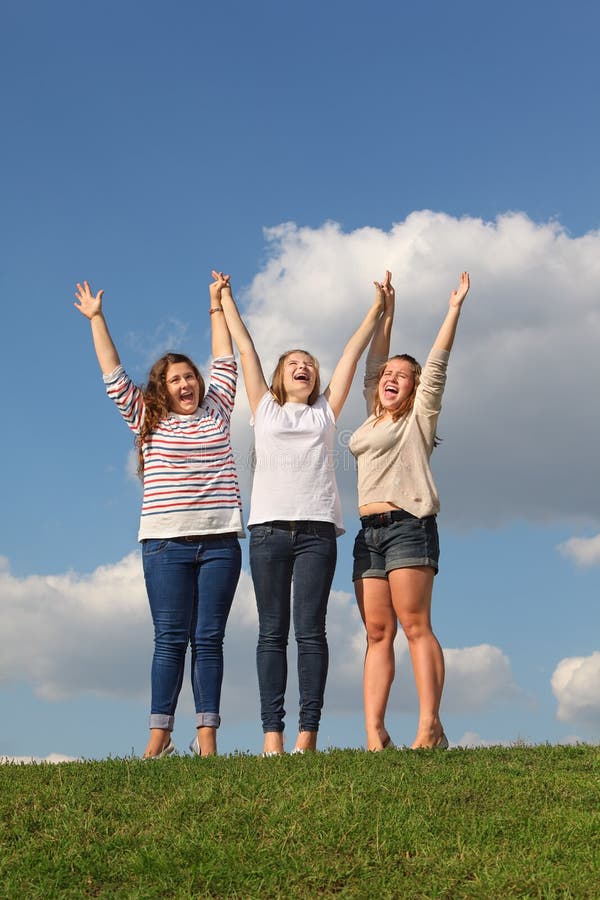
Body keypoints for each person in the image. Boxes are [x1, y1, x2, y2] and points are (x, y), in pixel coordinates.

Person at [213, 270, 385, 755]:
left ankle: (308, 733)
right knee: (271, 633)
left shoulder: (326, 412)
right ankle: (274, 736)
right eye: (294, 363)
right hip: (268, 532)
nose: (303, 367)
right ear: (279, 375)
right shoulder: (264, 408)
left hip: (316, 533)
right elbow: (245, 349)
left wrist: (375, 311)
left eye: (309, 363)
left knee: (310, 631)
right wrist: (225, 299)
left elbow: (351, 354)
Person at [74, 275, 243, 758]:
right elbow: (112, 374)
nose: (186, 384)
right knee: (170, 637)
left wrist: (215, 305)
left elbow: (226, 358)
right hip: (165, 544)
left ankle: (206, 736)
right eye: (175, 380)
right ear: (161, 389)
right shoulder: (146, 418)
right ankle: (160, 735)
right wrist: (97, 319)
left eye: (190, 376)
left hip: (219, 542)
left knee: (209, 638)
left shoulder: (219, 408)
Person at [349, 270, 471, 750]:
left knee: (415, 625)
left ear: (415, 388)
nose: (390, 379)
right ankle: (375, 734)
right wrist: (386, 311)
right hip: (367, 533)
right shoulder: (370, 415)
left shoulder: (418, 418)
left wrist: (454, 309)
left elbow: (437, 363)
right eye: (388, 376)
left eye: (403, 376)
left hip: (408, 526)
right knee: (378, 633)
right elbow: (374, 361)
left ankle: (429, 727)